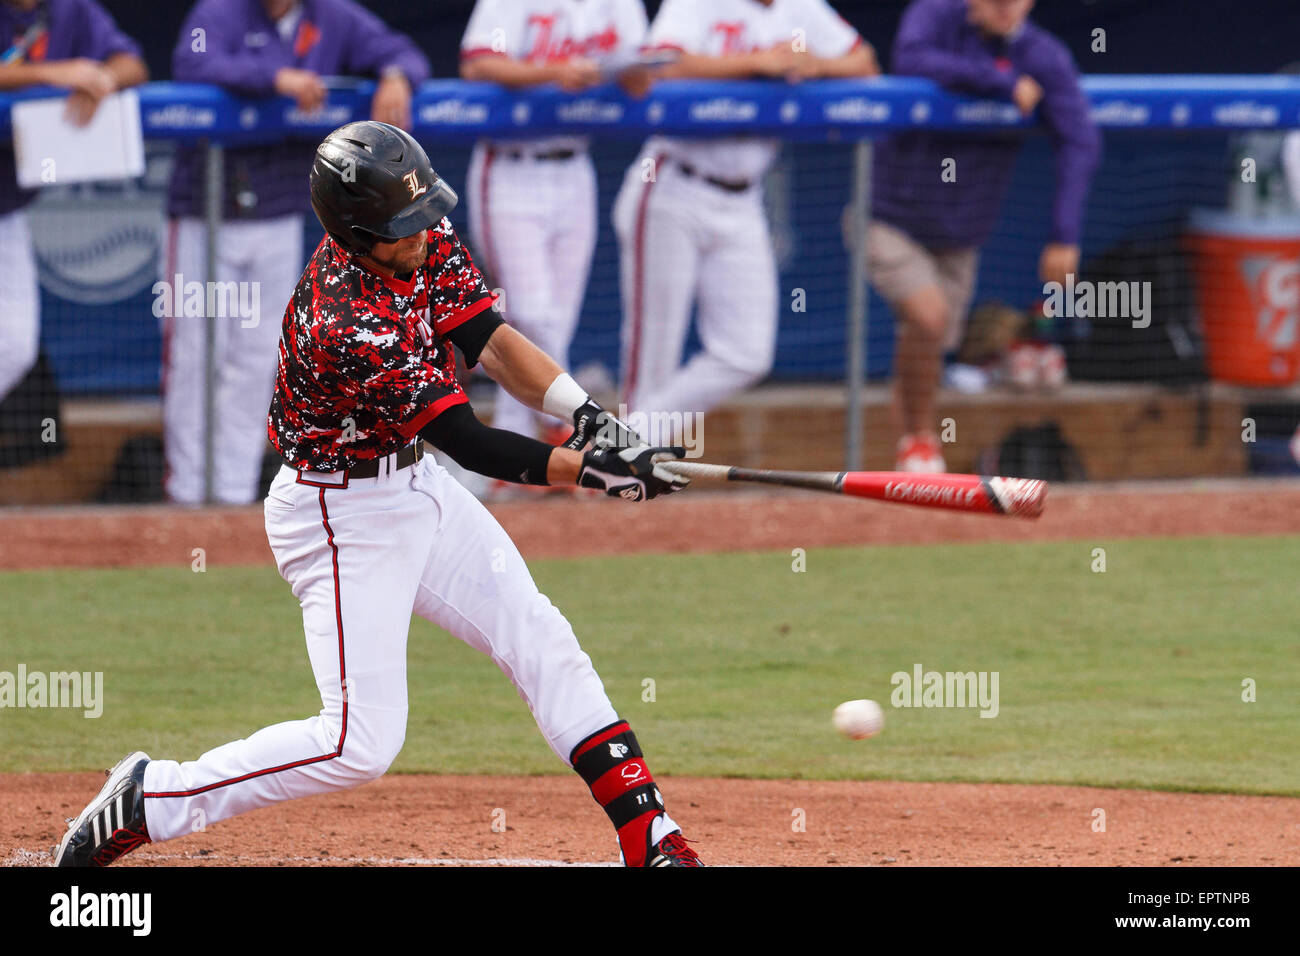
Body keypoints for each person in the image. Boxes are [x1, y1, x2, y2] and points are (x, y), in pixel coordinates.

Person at [54, 121, 702, 869]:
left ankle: (648, 834)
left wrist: (591, 418)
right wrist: (595, 470)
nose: (426, 233)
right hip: (337, 515)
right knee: (357, 744)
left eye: (426, 213)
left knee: (539, 636)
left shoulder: (417, 225)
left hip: (413, 482)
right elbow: (473, 441)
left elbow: (487, 336)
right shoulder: (348, 318)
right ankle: (152, 797)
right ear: (359, 232)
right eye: (404, 227)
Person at [163, 0, 429, 505]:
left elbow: (400, 50)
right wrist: (276, 77)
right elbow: (193, 63)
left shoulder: (332, 16)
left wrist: (396, 75)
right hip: (204, 211)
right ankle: (187, 493)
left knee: (259, 357)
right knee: (197, 355)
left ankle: (233, 492)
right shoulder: (220, 12)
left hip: (280, 209)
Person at [614, 0, 878, 445]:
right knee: (653, 353)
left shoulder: (803, 9)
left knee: (747, 353)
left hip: (744, 196)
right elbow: (658, 64)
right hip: (673, 184)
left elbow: (866, 64)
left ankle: (618, 446)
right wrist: (756, 62)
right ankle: (625, 465)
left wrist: (817, 64)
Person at [861, 0, 1100, 472]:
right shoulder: (935, 14)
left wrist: (1064, 234)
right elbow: (911, 58)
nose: (1007, 8)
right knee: (928, 322)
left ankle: (908, 459)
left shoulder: (1041, 53)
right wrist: (1002, 82)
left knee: (927, 343)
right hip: (888, 217)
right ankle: (922, 440)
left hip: (960, 233)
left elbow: (1080, 138)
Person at [460, 0, 649, 453]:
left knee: (557, 321)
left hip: (574, 167)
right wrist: (551, 73)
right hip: (510, 164)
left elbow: (641, 77)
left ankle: (517, 452)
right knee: (532, 313)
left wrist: (628, 75)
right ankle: (573, 423)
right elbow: (477, 63)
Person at [0, 0, 146, 406]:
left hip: (6, 209)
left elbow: (132, 63)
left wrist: (100, 79)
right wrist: (52, 74)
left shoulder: (69, 8)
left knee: (12, 345)